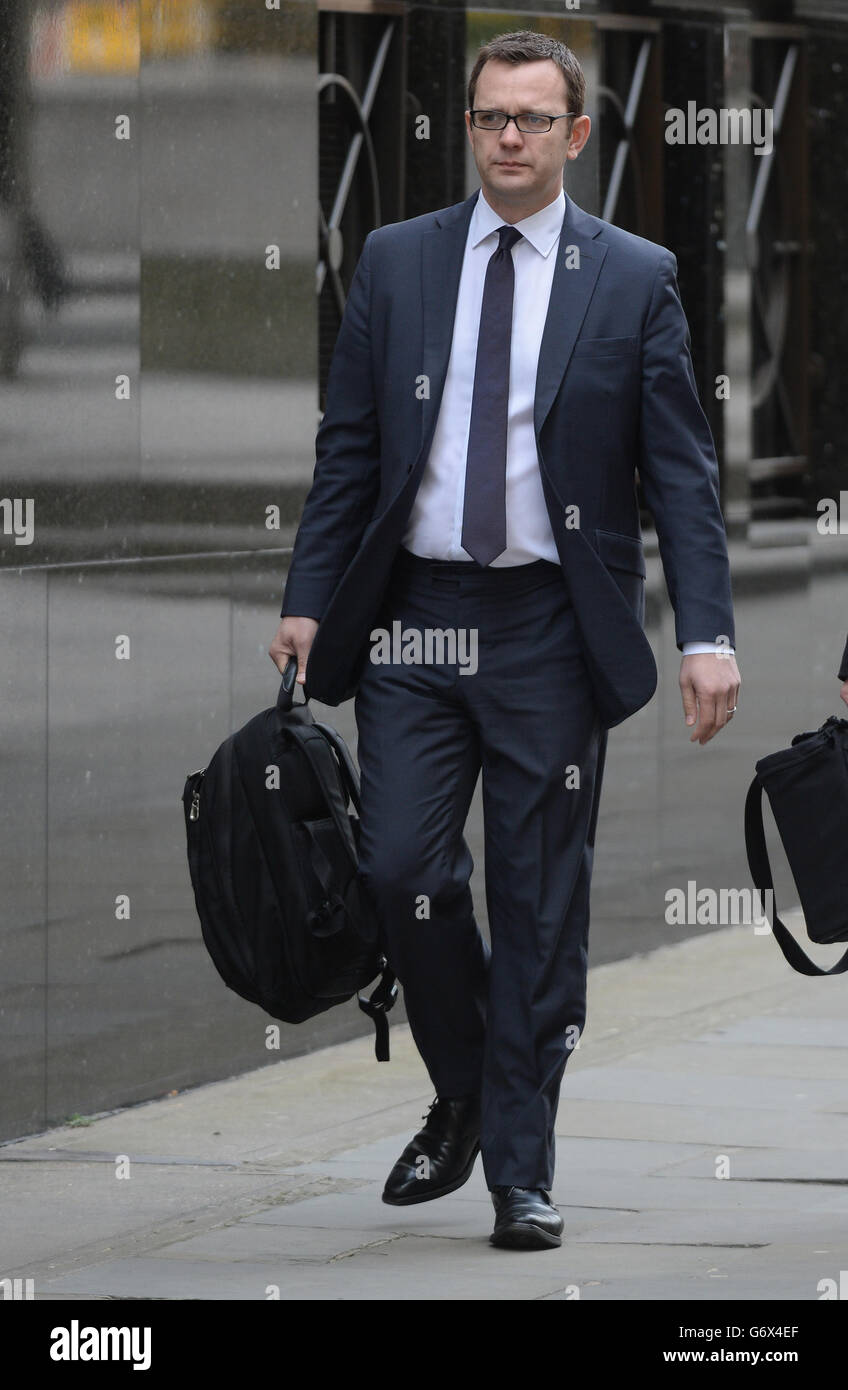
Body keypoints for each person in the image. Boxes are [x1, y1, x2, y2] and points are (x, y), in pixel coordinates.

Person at [269, 30, 740, 1251]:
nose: (510, 140)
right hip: (416, 623)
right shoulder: (397, 259)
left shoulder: (631, 276)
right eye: (489, 119)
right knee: (399, 873)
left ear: (575, 136)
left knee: (538, 911)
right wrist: (310, 592)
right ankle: (468, 1080)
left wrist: (707, 634)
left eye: (533, 120)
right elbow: (351, 449)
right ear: (467, 128)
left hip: (545, 631)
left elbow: (680, 476)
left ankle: (518, 1171)